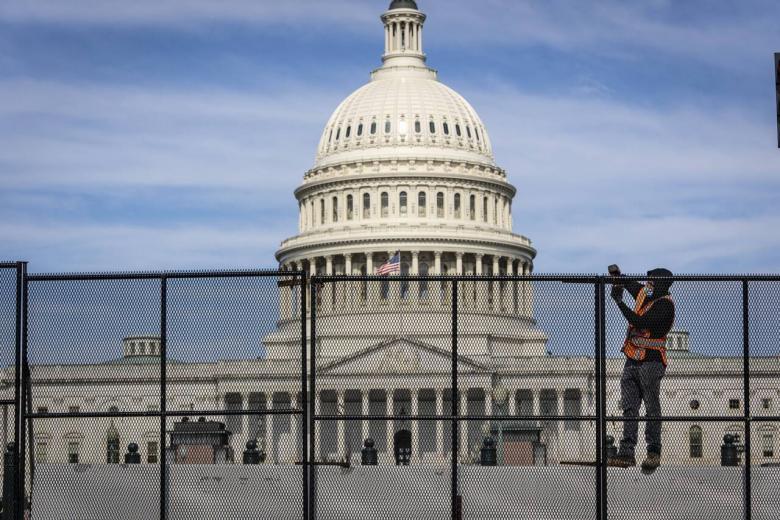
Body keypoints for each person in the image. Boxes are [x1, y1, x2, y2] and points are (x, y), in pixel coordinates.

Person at [607, 267, 675, 471]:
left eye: (652, 281)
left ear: (661, 284)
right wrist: (618, 277)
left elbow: (639, 322)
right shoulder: (646, 296)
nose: (648, 285)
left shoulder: (665, 307)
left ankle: (653, 451)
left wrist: (619, 302)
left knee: (651, 407)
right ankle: (627, 452)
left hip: (651, 363)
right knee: (629, 407)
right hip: (632, 360)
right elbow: (632, 286)